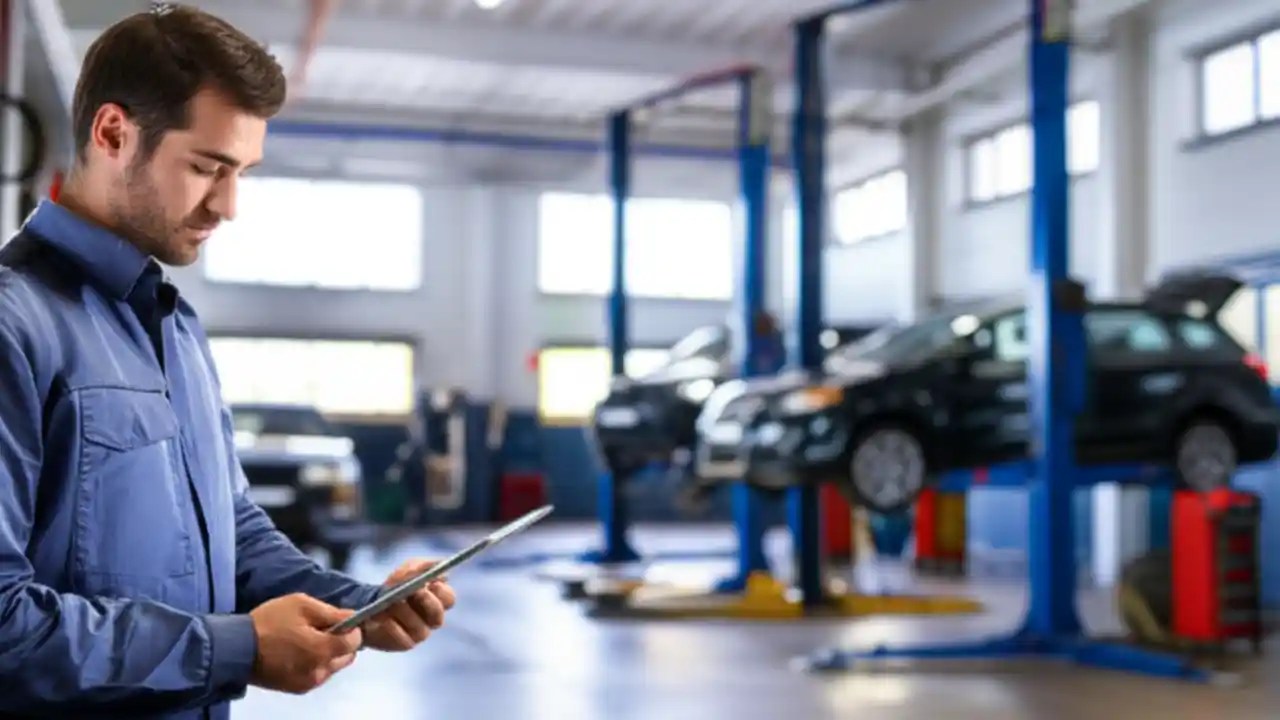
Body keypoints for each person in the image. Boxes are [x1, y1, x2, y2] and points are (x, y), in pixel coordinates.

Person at [0, 4, 456, 718]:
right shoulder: (14, 327)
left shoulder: (175, 328)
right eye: (208, 168)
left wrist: (358, 606)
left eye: (242, 171)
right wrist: (234, 649)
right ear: (114, 133)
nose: (230, 205)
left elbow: (230, 527)